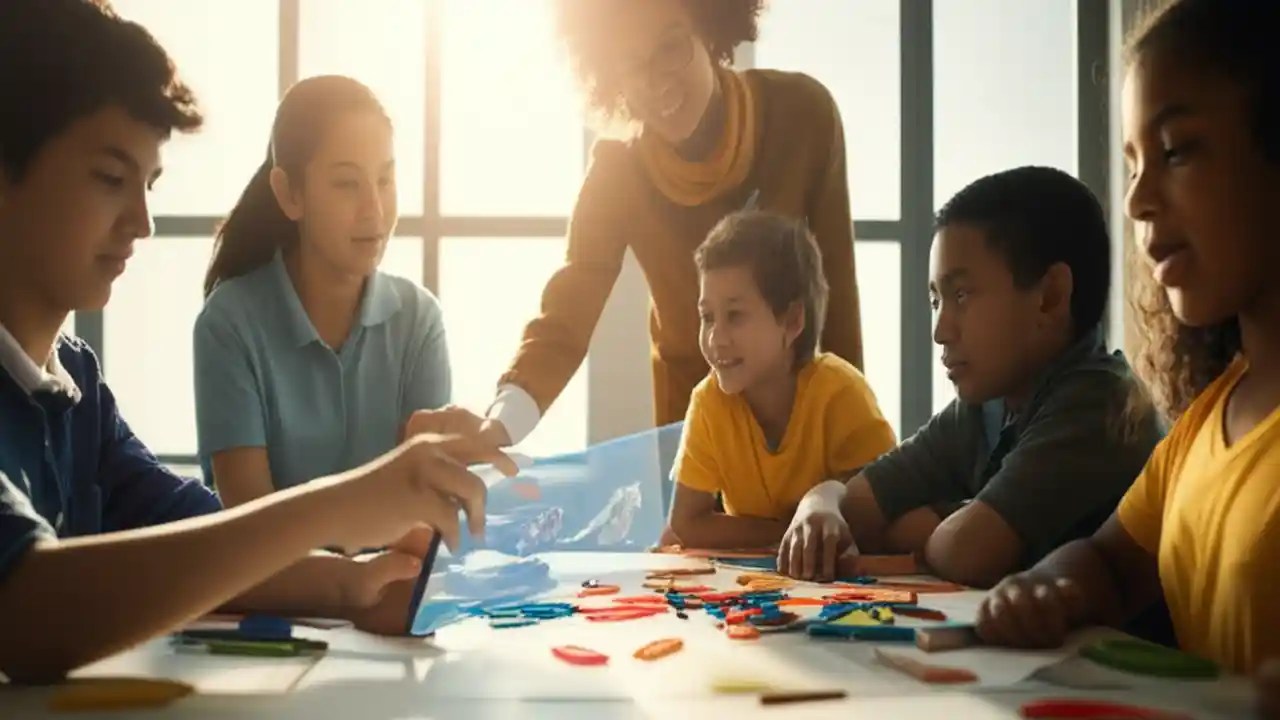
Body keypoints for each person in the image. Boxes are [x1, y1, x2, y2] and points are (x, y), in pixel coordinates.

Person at [0, 0, 508, 682]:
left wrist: (354, 585)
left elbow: (200, 538)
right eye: (112, 179)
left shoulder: (78, 388)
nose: (143, 223)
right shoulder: (232, 320)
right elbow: (24, 606)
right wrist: (346, 503)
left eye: (149, 186)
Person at [974, 2, 1280, 708]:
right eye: (1133, 165)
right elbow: (1113, 562)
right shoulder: (1208, 419)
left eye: (1175, 151)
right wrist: (1047, 585)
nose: (1138, 199)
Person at [407, 0, 863, 450]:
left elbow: (836, 289)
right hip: (696, 426)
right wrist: (498, 427)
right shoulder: (618, 171)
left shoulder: (802, 115)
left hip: (803, 412)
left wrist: (854, 441)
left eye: (670, 47)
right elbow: (567, 311)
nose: (655, 79)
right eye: (630, 65)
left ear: (709, 28)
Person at [776, 166, 1163, 587]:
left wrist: (927, 522)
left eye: (961, 295)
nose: (940, 330)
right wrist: (818, 505)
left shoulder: (1101, 403)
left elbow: (966, 553)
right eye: (935, 300)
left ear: (1049, 296)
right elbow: (855, 502)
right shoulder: (985, 407)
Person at [194, 75, 450, 507]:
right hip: (280, 577)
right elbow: (248, 526)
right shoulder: (230, 323)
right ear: (289, 194)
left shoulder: (419, 319)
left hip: (399, 574)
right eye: (347, 184)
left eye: (385, 180)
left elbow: (427, 508)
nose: (374, 209)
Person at [666, 212, 894, 550]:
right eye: (707, 317)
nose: (716, 338)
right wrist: (790, 534)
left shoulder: (840, 393)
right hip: (757, 588)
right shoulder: (709, 402)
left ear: (791, 321)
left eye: (735, 315)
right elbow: (686, 523)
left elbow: (887, 508)